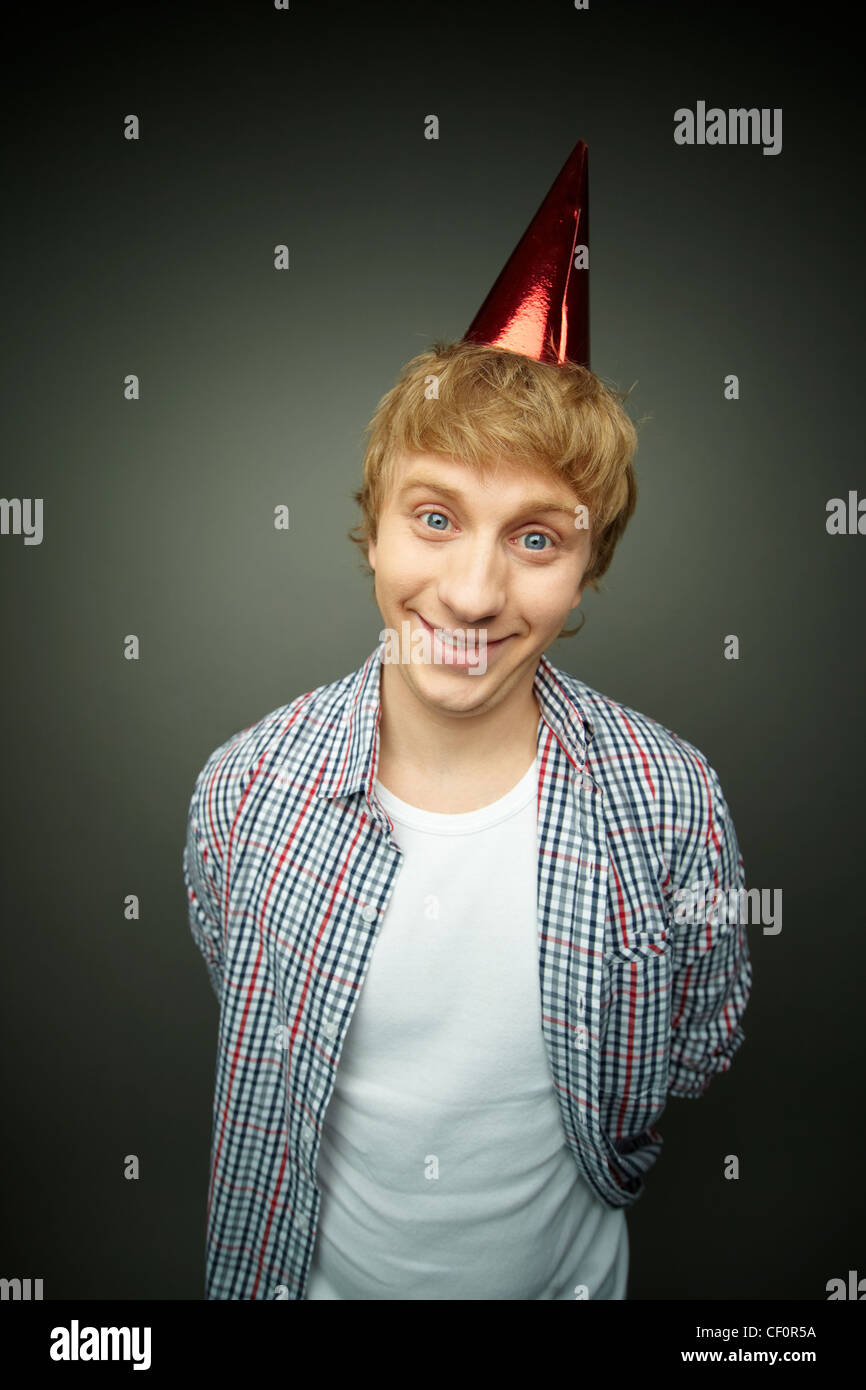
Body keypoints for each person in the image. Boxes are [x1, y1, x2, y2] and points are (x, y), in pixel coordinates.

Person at [183, 139, 752, 1301]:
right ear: (373, 530)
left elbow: (699, 1039)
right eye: (435, 518)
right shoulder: (245, 790)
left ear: (586, 573)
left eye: (535, 538)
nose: (474, 592)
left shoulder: (670, 799)